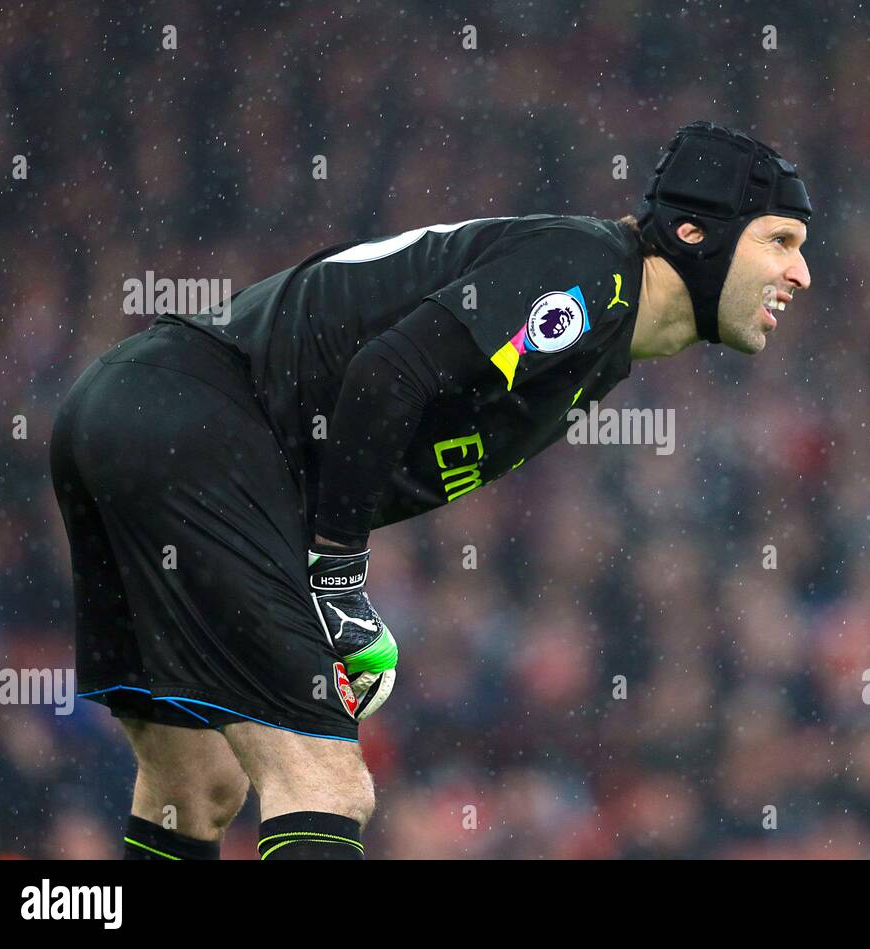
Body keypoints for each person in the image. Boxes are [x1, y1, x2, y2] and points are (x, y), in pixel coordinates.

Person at [49, 120, 812, 860]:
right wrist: (338, 576)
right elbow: (388, 374)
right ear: (693, 234)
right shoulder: (590, 275)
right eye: (779, 240)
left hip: (127, 412)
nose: (799, 272)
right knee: (324, 781)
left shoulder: (602, 326)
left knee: (195, 784)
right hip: (198, 425)